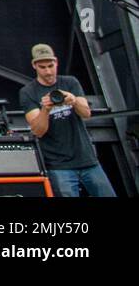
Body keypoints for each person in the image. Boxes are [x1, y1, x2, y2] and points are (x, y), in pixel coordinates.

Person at [19, 43, 115, 197]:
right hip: (58, 165)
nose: (48, 71)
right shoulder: (28, 92)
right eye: (43, 67)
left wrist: (73, 100)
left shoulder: (70, 83)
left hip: (87, 159)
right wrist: (46, 109)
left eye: (51, 66)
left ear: (56, 62)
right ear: (34, 66)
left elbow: (86, 114)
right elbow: (38, 131)